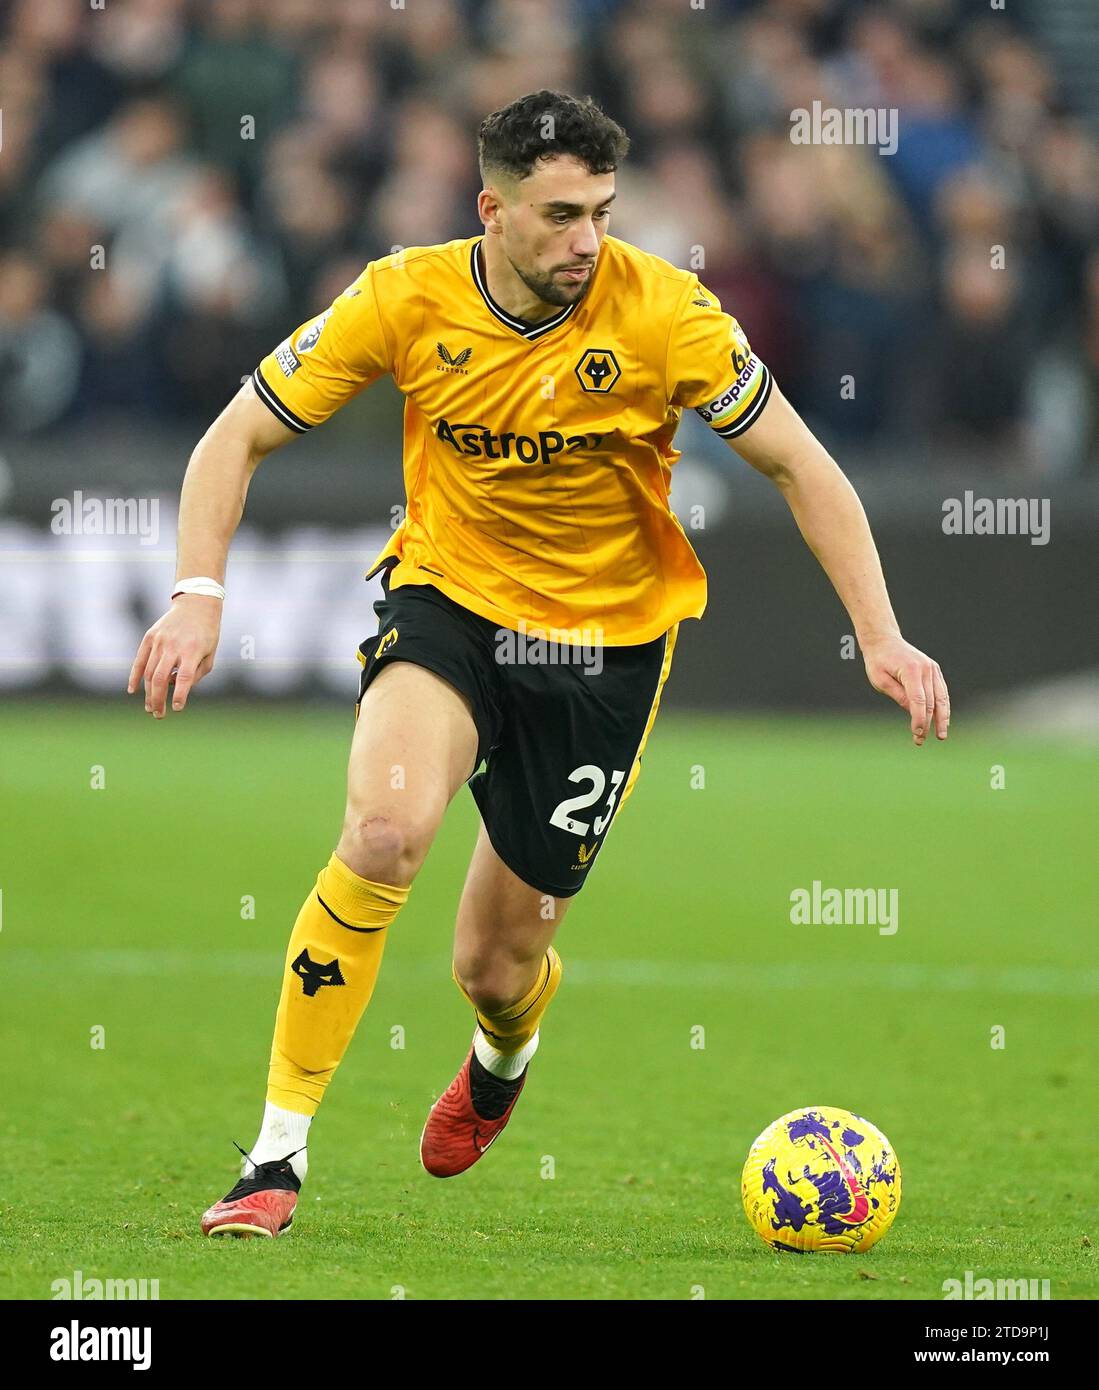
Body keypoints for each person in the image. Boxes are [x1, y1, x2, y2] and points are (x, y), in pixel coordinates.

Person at [127, 90, 950, 1239]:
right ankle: (275, 1155)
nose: (587, 241)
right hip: (448, 607)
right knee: (382, 833)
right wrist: (197, 594)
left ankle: (502, 1052)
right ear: (492, 209)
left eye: (602, 213)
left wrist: (881, 629)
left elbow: (801, 467)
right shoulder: (403, 295)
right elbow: (239, 431)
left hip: (605, 653)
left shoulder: (665, 312)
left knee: (494, 964)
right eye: (561, 215)